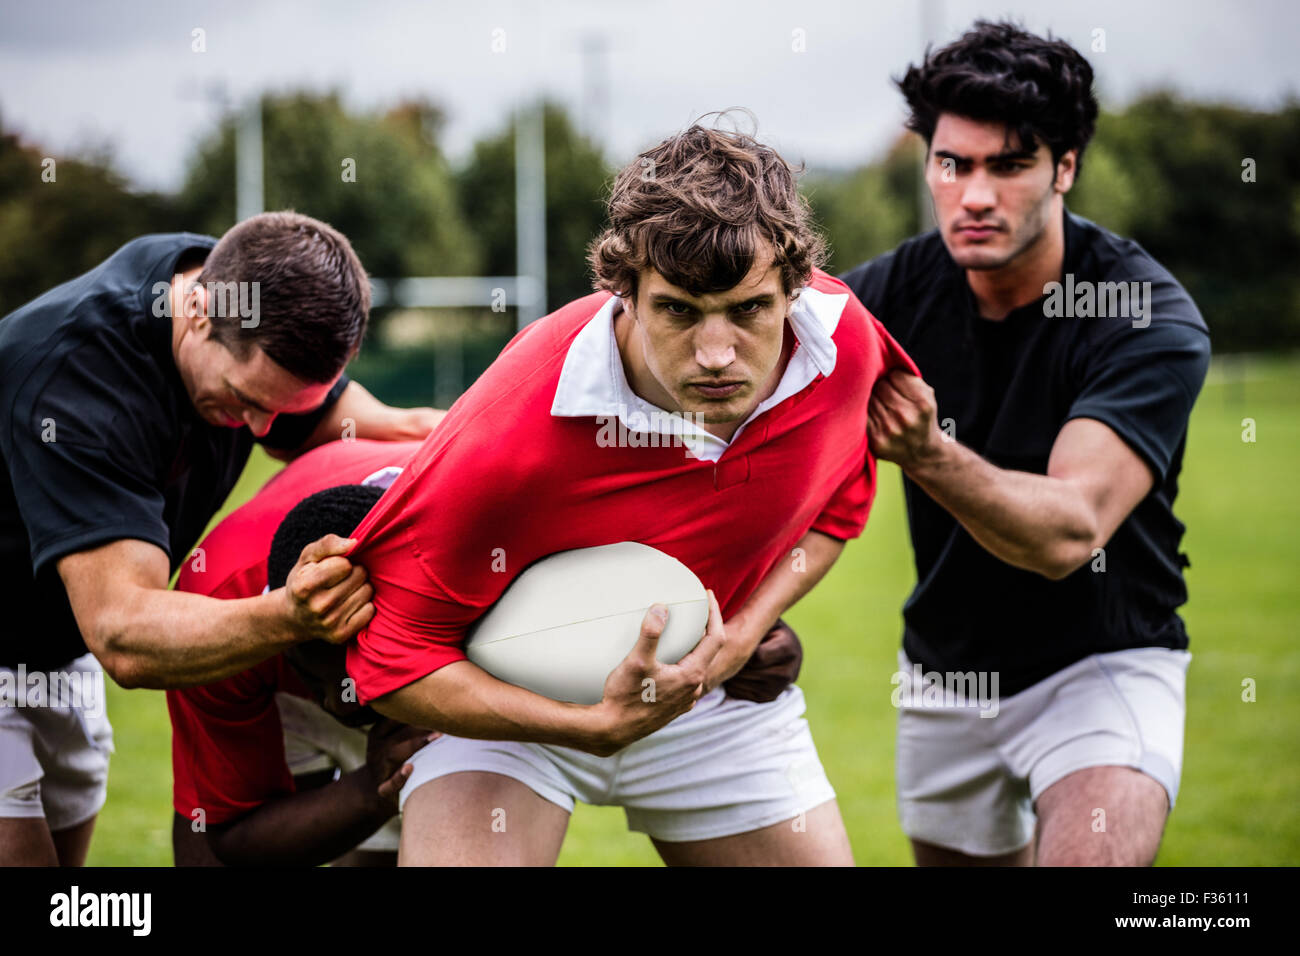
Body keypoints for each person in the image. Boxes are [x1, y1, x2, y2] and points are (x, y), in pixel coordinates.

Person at [345, 119, 917, 866]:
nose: (717, 354)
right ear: (624, 294)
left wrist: (741, 636)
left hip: (710, 701)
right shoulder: (509, 427)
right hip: (506, 711)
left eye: (749, 309)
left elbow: (842, 499)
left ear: (793, 289)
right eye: (678, 309)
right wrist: (585, 725)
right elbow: (392, 659)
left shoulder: (843, 348)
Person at [839, 20, 1211, 866]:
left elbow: (1070, 532)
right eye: (952, 163)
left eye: (1009, 166)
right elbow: (752, 428)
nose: (974, 195)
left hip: (1101, 664)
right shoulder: (889, 293)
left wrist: (928, 453)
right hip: (944, 676)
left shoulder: (1140, 312)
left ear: (1064, 167)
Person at [0, 211, 440, 866]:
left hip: (51, 652)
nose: (262, 428)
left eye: (281, 409)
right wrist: (289, 614)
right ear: (199, 313)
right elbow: (123, 630)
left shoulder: (252, 294)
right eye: (244, 399)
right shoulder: (78, 387)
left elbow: (390, 426)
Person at [167, 440, 430, 867]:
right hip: (263, 663)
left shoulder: (464, 561)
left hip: (417, 646)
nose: (333, 703)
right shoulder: (214, 614)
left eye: (349, 682)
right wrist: (369, 790)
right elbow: (230, 834)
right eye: (314, 679)